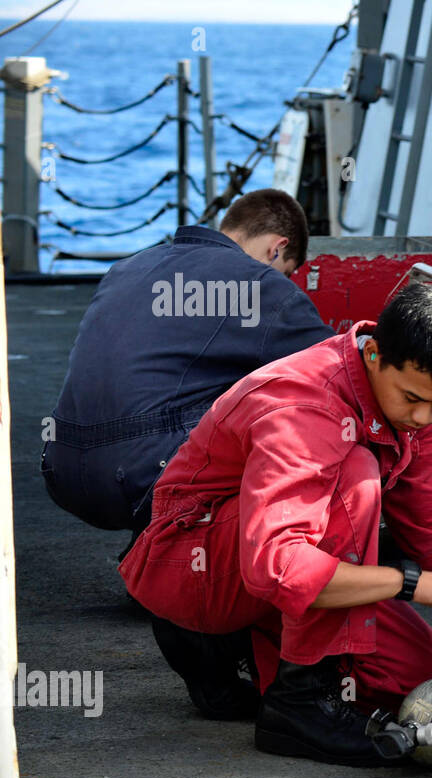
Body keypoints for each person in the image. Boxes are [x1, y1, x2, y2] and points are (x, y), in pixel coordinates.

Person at [118, 282, 432, 767]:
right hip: (192, 569)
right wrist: (410, 583)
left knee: (426, 686)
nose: (423, 417)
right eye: (414, 399)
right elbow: (277, 566)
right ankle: (300, 702)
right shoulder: (304, 406)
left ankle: (238, 649)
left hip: (277, 573)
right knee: (357, 476)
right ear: (374, 354)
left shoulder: (418, 397)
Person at [42, 188, 331, 534]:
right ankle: (237, 563)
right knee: (283, 407)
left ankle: (153, 555)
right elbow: (339, 366)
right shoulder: (261, 283)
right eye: (286, 271)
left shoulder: (128, 267)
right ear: (277, 248)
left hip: (61, 469)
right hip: (140, 480)